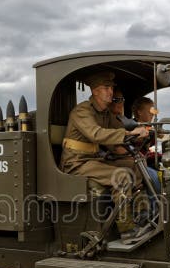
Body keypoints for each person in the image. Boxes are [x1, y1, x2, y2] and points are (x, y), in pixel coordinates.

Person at [60, 71, 150, 239]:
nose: (111, 92)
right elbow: (97, 134)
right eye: (106, 88)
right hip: (76, 163)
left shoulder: (105, 113)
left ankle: (142, 215)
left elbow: (121, 131)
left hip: (93, 161)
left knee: (135, 164)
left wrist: (142, 132)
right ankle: (127, 230)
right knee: (121, 176)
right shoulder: (82, 111)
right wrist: (129, 134)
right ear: (95, 91)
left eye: (111, 88)